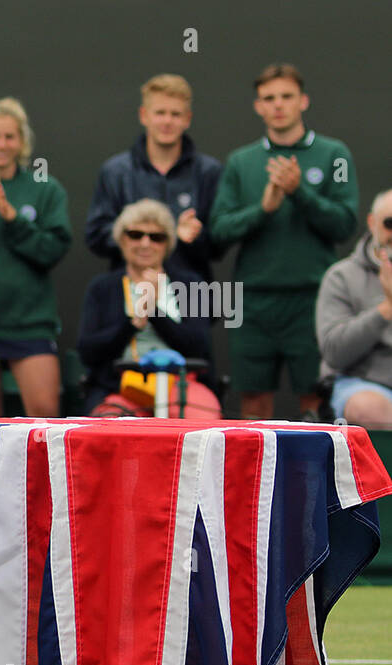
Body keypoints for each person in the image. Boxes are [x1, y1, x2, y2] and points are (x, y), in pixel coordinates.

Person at [209, 63, 360, 420]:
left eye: (286, 96)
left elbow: (344, 225)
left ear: (303, 101)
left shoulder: (333, 154)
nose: (278, 105)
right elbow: (218, 231)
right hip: (252, 303)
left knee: (314, 401)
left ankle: (312, 462)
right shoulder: (241, 161)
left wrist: (299, 192)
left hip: (313, 299)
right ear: (258, 106)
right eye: (269, 98)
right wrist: (262, 210)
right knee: (253, 404)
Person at [0, 98, 71, 416]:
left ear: (22, 142)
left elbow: (52, 250)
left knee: (45, 413)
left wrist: (15, 222)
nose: (1, 144)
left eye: (10, 136)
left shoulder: (45, 188)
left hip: (30, 321)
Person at [78, 200, 220, 418]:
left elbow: (199, 347)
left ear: (168, 244)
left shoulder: (190, 284)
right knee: (111, 426)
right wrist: (132, 324)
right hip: (121, 386)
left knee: (200, 421)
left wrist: (154, 312)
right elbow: (88, 351)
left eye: (157, 237)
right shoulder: (102, 287)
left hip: (182, 385)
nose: (145, 243)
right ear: (122, 240)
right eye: (135, 235)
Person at [84, 75, 223, 282]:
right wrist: (136, 233)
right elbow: (95, 237)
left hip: (190, 292)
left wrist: (195, 237)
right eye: (160, 113)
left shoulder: (209, 172)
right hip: (130, 290)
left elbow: (219, 245)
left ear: (187, 119)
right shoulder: (116, 172)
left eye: (175, 114)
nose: (167, 121)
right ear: (144, 115)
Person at [315, 189, 392, 427]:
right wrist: (387, 308)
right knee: (369, 409)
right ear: (372, 222)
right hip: (361, 383)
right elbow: (334, 353)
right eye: (389, 223)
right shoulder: (342, 276)